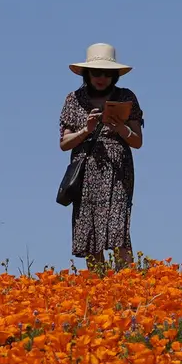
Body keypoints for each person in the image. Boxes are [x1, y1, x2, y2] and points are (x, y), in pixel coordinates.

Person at [58, 43, 144, 271]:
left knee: (118, 227)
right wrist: (86, 129)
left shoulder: (126, 97)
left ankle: (126, 284)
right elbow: (64, 144)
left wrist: (120, 128)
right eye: (96, 72)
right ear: (87, 73)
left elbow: (137, 141)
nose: (101, 78)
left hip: (118, 169)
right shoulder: (73, 100)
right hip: (86, 169)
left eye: (108, 73)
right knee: (90, 229)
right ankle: (99, 288)